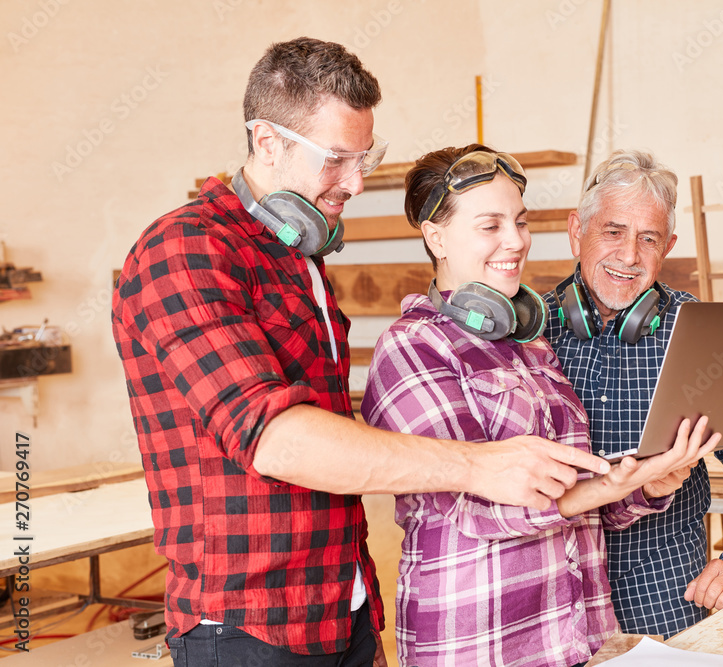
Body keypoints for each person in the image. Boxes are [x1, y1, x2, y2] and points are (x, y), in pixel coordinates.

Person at [111, 38, 611, 667]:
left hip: (342, 608)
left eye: (364, 157)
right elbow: (277, 440)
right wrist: (477, 466)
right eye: (336, 160)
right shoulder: (184, 252)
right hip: (246, 625)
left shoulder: (302, 263)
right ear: (267, 143)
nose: (355, 181)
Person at [360, 144, 721, 667]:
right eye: (491, 226)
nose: (516, 241)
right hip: (481, 641)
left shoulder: (529, 343)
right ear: (435, 237)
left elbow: (578, 500)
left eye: (521, 222)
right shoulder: (413, 347)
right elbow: (473, 507)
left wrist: (644, 485)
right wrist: (607, 485)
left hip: (576, 634)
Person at [542, 149, 723, 637]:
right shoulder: (531, 334)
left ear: (668, 246)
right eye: (612, 231)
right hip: (556, 597)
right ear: (577, 231)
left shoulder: (696, 333)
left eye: (648, 238)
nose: (629, 255)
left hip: (663, 597)